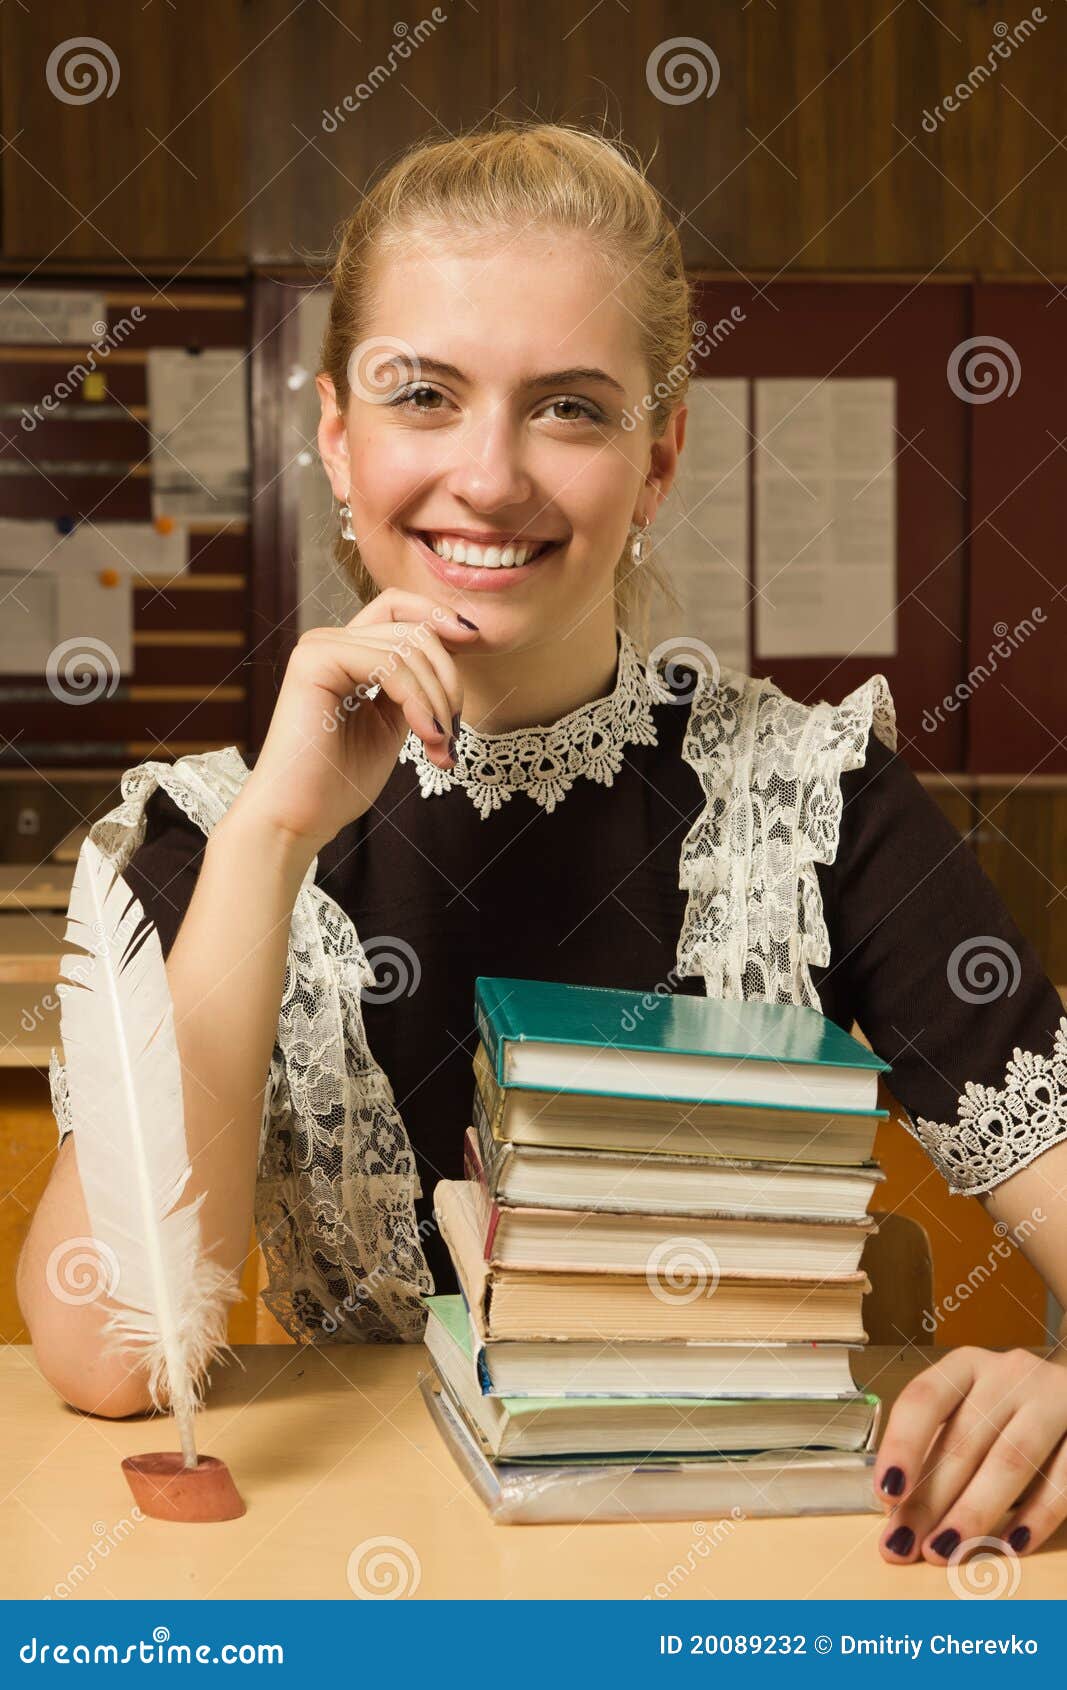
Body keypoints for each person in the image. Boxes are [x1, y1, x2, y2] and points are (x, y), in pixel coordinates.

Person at [20, 121, 1067, 1570]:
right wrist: (273, 830)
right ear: (335, 433)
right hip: (348, 1581)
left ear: (658, 458)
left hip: (731, 1589)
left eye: (570, 408)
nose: (491, 475)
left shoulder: (818, 794)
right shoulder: (202, 829)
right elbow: (106, 1354)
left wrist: (1049, 1390)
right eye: (424, 395)